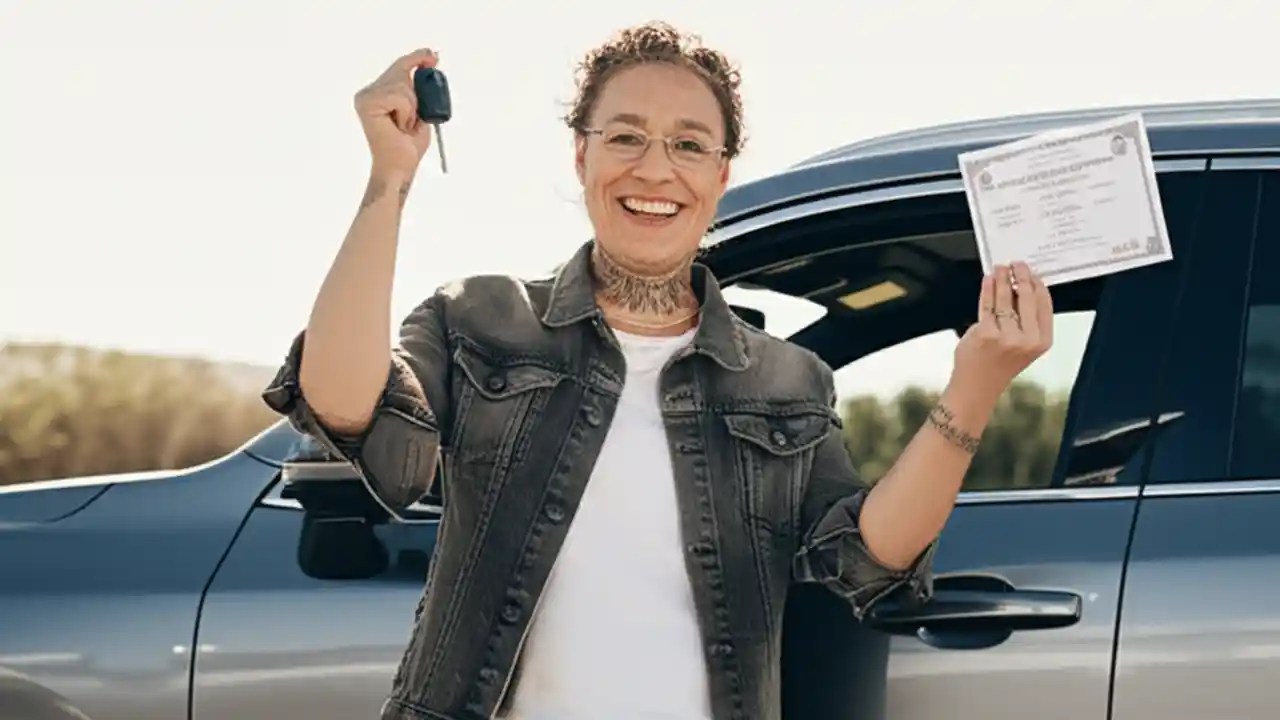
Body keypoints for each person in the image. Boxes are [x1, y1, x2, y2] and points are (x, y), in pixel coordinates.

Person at [262, 21, 1054, 720]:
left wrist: (975, 385)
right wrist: (390, 176)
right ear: (581, 155)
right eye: (626, 136)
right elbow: (346, 404)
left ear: (720, 176)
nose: (654, 170)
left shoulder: (787, 381)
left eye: (687, 144)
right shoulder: (478, 319)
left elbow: (868, 560)